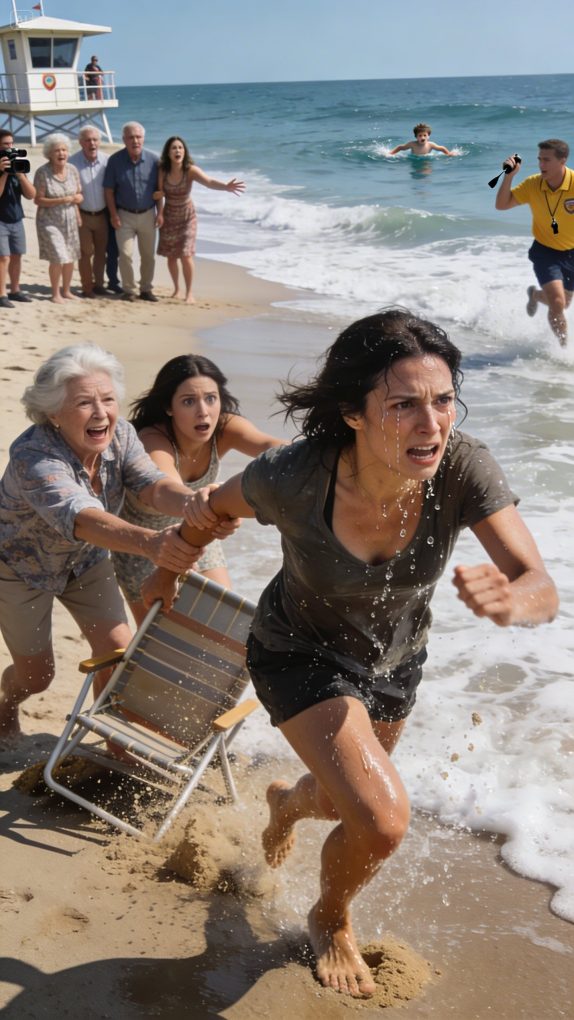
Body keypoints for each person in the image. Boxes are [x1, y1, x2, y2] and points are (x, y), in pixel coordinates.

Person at [143, 309, 558, 998]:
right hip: (296, 650)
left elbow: (538, 581)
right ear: (353, 414)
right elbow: (210, 510)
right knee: (383, 821)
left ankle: (287, 804)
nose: (432, 424)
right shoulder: (295, 475)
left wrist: (516, 599)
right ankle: (331, 916)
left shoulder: (462, 467)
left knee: (344, 808)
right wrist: (167, 570)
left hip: (394, 661)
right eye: (404, 405)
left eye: (443, 400)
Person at [0, 344, 208, 741]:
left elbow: (152, 486)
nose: (101, 413)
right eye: (84, 403)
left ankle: (110, 744)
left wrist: (193, 502)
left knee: (117, 654)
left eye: (108, 400)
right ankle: (6, 702)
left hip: (86, 563)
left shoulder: (121, 434)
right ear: (53, 413)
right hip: (20, 568)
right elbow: (82, 517)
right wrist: (152, 543)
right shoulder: (33, 457)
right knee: (37, 677)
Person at [113, 354, 282, 625]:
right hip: (149, 548)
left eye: (211, 398)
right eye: (188, 401)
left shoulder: (226, 427)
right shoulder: (152, 439)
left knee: (226, 626)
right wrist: (211, 506)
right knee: (164, 640)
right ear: (168, 407)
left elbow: (273, 449)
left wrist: (323, 455)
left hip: (199, 535)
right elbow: (165, 487)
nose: (203, 411)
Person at [495, 139, 574, 347]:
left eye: (546, 160)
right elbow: (501, 205)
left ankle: (536, 295)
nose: (541, 165)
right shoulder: (533, 184)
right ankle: (564, 350)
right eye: (540, 159)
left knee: (563, 304)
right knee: (557, 302)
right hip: (545, 251)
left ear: (563, 160)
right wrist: (509, 176)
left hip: (572, 252)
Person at [155, 136, 245, 304]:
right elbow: (159, 195)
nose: (177, 151)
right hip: (169, 215)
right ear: (168, 153)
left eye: (180, 148)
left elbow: (209, 182)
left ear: (184, 151)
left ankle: (189, 293)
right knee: (171, 256)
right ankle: (176, 289)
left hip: (187, 216)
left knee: (186, 254)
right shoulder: (162, 171)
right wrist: (159, 213)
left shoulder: (190, 170)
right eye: (174, 148)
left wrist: (226, 187)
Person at [104, 122, 160, 303]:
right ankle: (129, 290)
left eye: (138, 137)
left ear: (143, 138)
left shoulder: (154, 160)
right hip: (124, 215)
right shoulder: (115, 161)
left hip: (148, 214)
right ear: (124, 140)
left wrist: (160, 213)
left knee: (148, 256)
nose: (135, 141)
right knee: (125, 254)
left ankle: (146, 289)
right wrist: (113, 215)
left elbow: (159, 190)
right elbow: (108, 190)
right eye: (131, 137)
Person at [33, 133, 83, 303]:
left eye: (64, 150)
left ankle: (67, 291)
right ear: (49, 154)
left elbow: (78, 194)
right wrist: (63, 200)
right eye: (57, 150)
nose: (61, 153)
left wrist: (78, 202)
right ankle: (55, 294)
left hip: (70, 219)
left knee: (70, 256)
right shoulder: (42, 172)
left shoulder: (73, 170)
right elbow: (38, 200)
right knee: (58, 256)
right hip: (49, 221)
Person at [69, 125, 110, 299]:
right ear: (81, 143)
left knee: (101, 252)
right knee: (85, 253)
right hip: (82, 216)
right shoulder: (72, 163)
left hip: (103, 215)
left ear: (99, 141)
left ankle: (99, 285)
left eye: (95, 140)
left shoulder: (108, 161)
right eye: (87, 140)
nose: (92, 143)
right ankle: (87, 288)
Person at [0, 129, 35, 308]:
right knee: (3, 257)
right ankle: (1, 294)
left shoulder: (18, 165)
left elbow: (31, 194)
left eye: (11, 144)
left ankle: (15, 290)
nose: (10, 147)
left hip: (16, 218)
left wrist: (20, 175)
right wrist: (4, 173)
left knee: (16, 255)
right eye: (6, 144)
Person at [389, 122, 456, 157]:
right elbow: (401, 147)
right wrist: (391, 153)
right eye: (420, 136)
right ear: (416, 137)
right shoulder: (412, 144)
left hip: (426, 159)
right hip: (414, 158)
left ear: (428, 136)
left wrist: (448, 153)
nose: (422, 137)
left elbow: (441, 148)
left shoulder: (431, 145)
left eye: (425, 135)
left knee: (426, 171)